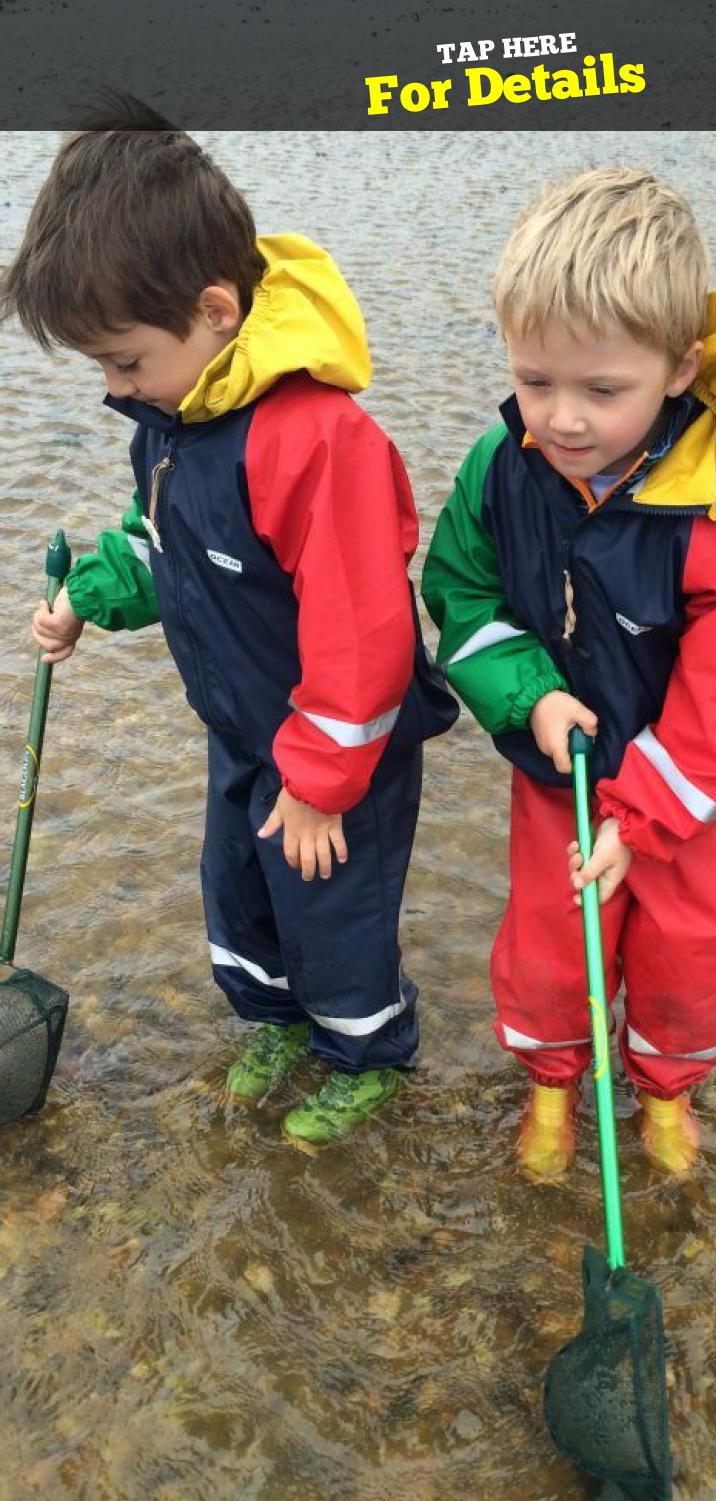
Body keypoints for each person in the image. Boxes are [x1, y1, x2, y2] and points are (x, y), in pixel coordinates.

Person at [0, 106, 456, 1144]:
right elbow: (165, 545)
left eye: (123, 362)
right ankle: (275, 1020)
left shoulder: (317, 441)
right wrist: (88, 597)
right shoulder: (175, 422)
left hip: (341, 751)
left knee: (332, 913)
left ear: (213, 310)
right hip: (244, 731)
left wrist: (318, 779)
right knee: (239, 891)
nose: (117, 391)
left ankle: (366, 1053)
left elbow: (362, 636)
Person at [422, 167, 716, 1182]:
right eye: (534, 380)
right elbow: (464, 600)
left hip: (707, 790)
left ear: (680, 367)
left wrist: (642, 814)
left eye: (603, 389)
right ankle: (553, 1080)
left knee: (695, 954)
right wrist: (529, 692)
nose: (561, 418)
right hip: (563, 766)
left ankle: (663, 1091)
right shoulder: (499, 468)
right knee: (551, 941)